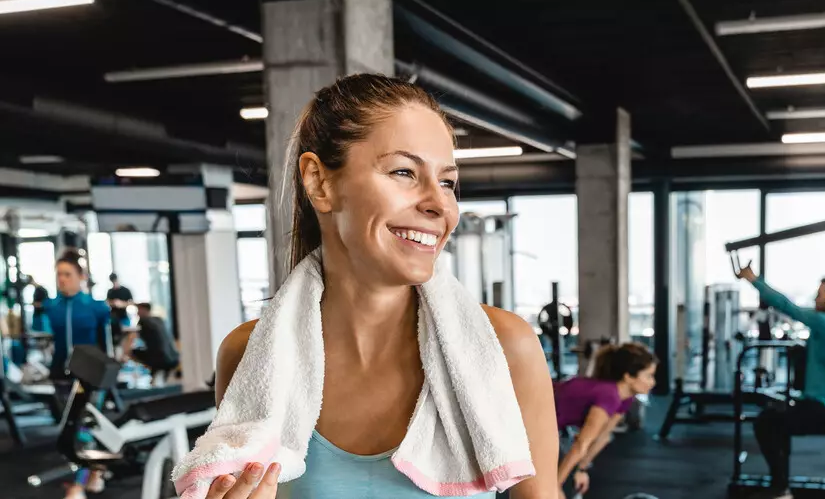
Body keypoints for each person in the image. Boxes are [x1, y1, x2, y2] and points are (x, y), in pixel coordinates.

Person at [208, 74, 558, 499]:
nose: (439, 203)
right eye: (404, 172)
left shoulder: (506, 346)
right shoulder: (248, 355)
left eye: (447, 181)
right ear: (319, 182)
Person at [735, 262, 825, 499]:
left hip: (823, 408)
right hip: (817, 403)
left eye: (820, 294)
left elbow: (787, 306)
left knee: (765, 424)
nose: (816, 299)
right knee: (773, 418)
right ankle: (780, 483)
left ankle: (780, 487)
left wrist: (753, 279)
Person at [45, 253, 112, 499]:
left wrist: (109, 376)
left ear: (81, 277)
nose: (62, 280)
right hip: (61, 374)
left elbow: (107, 346)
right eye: (58, 275)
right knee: (70, 428)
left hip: (92, 376)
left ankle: (78, 484)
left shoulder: (96, 307)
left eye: (67, 274)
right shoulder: (52, 307)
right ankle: (94, 469)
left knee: (83, 428)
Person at [553, 343, 657, 499]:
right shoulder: (609, 395)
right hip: (528, 412)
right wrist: (555, 487)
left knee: (566, 486)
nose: (653, 382)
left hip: (549, 426)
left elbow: (603, 437)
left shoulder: (625, 399)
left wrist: (581, 469)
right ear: (628, 376)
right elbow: (581, 443)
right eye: (648, 376)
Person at [121, 303, 180, 385]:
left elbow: (132, 337)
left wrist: (124, 356)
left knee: (130, 351)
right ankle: (152, 375)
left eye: (138, 310)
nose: (137, 313)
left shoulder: (143, 321)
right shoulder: (159, 319)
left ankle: (135, 375)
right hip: (174, 357)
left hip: (159, 358)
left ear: (144, 310)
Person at [105, 273, 133, 345]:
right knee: (114, 335)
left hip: (124, 316)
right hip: (113, 317)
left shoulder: (125, 290)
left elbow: (131, 302)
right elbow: (107, 302)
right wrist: (113, 303)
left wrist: (121, 304)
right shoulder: (110, 291)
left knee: (126, 336)